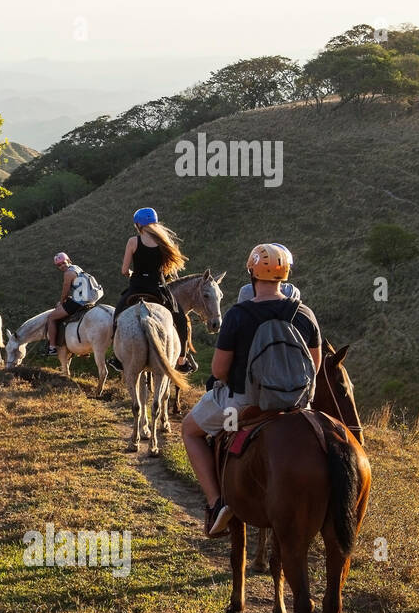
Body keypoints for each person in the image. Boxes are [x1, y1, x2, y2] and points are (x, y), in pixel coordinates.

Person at [181, 243, 322, 537]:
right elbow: (315, 366)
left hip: (244, 401)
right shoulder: (304, 313)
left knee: (189, 430)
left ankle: (216, 502)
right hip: (296, 403)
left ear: (251, 273)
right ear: (285, 275)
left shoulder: (238, 314)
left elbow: (220, 371)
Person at [108, 207, 196, 373]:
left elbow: (124, 270)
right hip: (158, 288)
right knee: (181, 320)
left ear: (138, 225)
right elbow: (167, 270)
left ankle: (117, 358)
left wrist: (133, 273)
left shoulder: (133, 241)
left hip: (137, 287)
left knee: (117, 315)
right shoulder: (164, 243)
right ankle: (182, 360)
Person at [44, 252, 101, 354]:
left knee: (51, 318)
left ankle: (52, 347)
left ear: (69, 261)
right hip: (91, 298)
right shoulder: (77, 268)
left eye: (63, 263)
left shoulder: (67, 274)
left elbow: (65, 291)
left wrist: (61, 303)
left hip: (81, 301)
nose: (61, 266)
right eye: (59, 265)